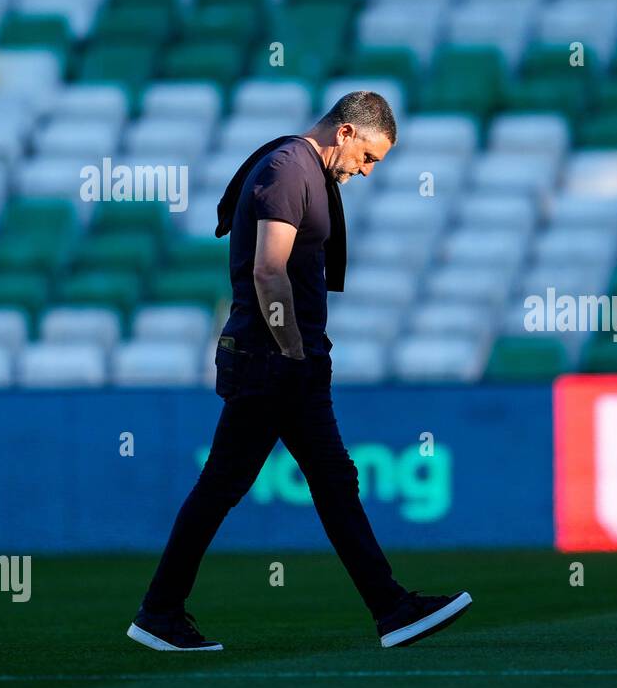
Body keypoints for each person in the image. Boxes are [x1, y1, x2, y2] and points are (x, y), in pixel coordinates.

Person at [127, 91, 471, 651]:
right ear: (346, 133)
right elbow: (268, 271)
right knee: (237, 484)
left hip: (284, 358)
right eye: (368, 158)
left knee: (315, 482)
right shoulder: (289, 169)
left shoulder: (300, 169)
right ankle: (161, 611)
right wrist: (292, 351)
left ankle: (391, 608)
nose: (365, 172)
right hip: (274, 360)